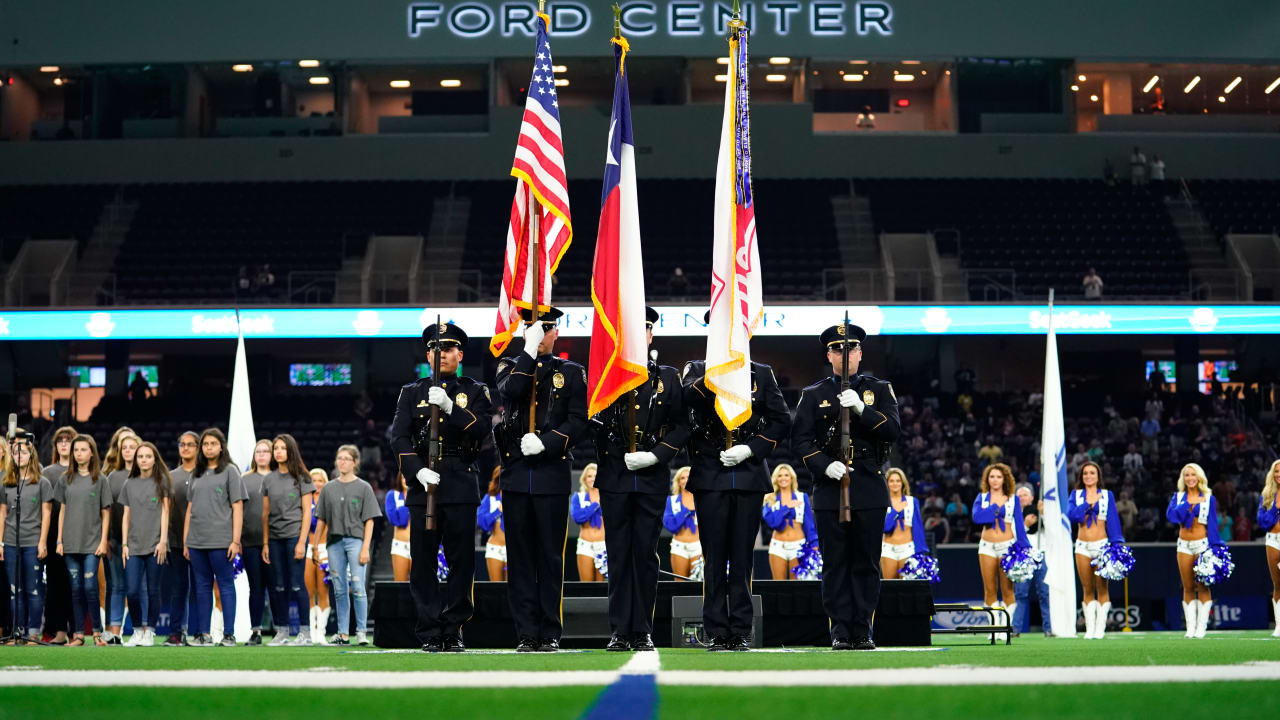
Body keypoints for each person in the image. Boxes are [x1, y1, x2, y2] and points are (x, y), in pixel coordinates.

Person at [684, 317, 791, 652]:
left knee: (742, 559)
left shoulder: (761, 372)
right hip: (710, 475)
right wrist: (718, 370)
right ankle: (716, 629)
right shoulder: (696, 368)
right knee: (714, 559)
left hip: (747, 475)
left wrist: (751, 448)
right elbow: (687, 401)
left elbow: (781, 420)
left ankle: (741, 629)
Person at [791, 321, 899, 651]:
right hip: (829, 489)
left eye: (851, 348)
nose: (845, 353)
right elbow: (800, 440)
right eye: (838, 349)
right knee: (835, 562)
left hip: (867, 486)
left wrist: (862, 409)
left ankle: (862, 628)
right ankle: (840, 629)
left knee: (866, 562)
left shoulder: (879, 389)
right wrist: (825, 466)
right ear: (829, 355)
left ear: (860, 353)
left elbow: (892, 430)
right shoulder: (814, 394)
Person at [390, 321, 493, 653]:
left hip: (460, 481)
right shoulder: (412, 392)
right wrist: (417, 471)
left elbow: (482, 432)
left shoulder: (475, 390)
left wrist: (452, 408)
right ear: (428, 355)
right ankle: (431, 630)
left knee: (461, 562)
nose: (441, 354)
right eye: (435, 349)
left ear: (459, 354)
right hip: (424, 487)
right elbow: (399, 437)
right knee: (422, 563)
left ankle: (454, 629)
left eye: (448, 349)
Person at [590, 305, 689, 651]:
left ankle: (643, 629)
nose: (640, 335)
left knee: (645, 556)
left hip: (650, 478)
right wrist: (614, 449)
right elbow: (593, 422)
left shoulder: (669, 377)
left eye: (645, 329)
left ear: (650, 335)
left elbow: (681, 426)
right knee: (617, 555)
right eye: (634, 329)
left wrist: (656, 454)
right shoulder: (607, 374)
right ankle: (620, 630)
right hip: (615, 476)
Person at [493, 307, 588, 652]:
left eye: (546, 329)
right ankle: (526, 633)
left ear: (556, 333)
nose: (542, 333)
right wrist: (528, 352)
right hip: (517, 476)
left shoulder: (572, 372)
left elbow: (579, 422)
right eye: (534, 328)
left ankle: (548, 631)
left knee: (550, 557)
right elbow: (513, 391)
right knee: (520, 558)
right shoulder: (508, 366)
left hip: (551, 475)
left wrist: (547, 442)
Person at [183, 428, 247, 647]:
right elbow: (190, 509)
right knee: (201, 587)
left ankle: (229, 634)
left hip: (222, 540)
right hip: (196, 541)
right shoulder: (196, 473)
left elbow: (237, 507)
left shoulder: (230, 471)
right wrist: (186, 541)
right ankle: (203, 634)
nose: (208, 447)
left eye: (213, 443)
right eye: (205, 444)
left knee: (226, 585)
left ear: (221, 446)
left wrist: (235, 540)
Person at [312, 445, 380, 646]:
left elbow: (370, 520)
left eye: (346, 458)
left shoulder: (364, 487)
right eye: (339, 458)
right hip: (333, 542)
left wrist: (366, 547)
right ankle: (342, 633)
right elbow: (321, 520)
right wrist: (316, 546)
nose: (342, 462)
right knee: (339, 589)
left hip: (355, 541)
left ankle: (360, 632)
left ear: (355, 462)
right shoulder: (329, 488)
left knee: (358, 587)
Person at [54, 434, 109, 646]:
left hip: (92, 544)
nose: (79, 454)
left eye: (83, 450)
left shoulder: (100, 479)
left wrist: (103, 541)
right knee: (75, 589)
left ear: (92, 452)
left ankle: (97, 632)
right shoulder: (64, 479)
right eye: (76, 450)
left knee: (90, 587)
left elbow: (106, 512)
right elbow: (62, 511)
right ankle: (78, 634)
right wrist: (59, 540)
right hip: (70, 543)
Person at [262, 433, 315, 646]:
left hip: (295, 536)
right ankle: (282, 632)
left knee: (296, 585)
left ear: (290, 450)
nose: (278, 452)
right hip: (274, 539)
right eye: (276, 448)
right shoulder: (268, 479)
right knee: (278, 586)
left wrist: (302, 542)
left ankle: (305, 633)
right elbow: (265, 515)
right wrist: (265, 543)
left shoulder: (303, 477)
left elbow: (307, 513)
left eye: (282, 448)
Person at [1, 430, 54, 643]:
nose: (20, 455)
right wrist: (1, 542)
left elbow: (47, 513)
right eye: (16, 452)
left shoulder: (42, 483)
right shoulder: (6, 483)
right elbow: (2, 514)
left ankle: (33, 633)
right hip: (11, 542)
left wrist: (42, 542)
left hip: (33, 542)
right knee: (15, 591)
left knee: (33, 590)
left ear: (31, 454)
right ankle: (18, 632)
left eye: (23, 452)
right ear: (11, 456)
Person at [120, 442, 172, 647]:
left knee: (153, 591)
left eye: (148, 456)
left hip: (155, 546)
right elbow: (126, 515)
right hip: (133, 546)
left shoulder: (162, 482)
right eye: (140, 456)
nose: (143, 460)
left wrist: (162, 541)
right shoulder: (128, 484)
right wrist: (124, 544)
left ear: (154, 459)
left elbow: (165, 513)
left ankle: (149, 631)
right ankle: (136, 631)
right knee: (131, 591)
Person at [1067, 462, 1125, 639]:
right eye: (1085, 473)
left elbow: (1113, 522)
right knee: (1087, 588)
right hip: (1082, 546)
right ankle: (1089, 628)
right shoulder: (1076, 495)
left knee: (1102, 587)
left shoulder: (1108, 495)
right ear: (1081, 477)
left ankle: (1100, 628)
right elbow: (1072, 516)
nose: (1088, 476)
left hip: (1102, 546)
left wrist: (1116, 545)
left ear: (1098, 476)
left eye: (1092, 473)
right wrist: (1087, 504)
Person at [971, 463, 1031, 632]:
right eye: (992, 477)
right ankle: (993, 628)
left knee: (1007, 589)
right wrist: (995, 509)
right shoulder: (981, 497)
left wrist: (1024, 548)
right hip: (987, 547)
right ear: (987, 479)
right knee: (990, 589)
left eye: (998, 476)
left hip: (1008, 547)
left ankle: (1006, 628)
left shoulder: (1013, 499)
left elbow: (1019, 525)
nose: (995, 480)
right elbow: (977, 518)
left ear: (1004, 479)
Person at [1166, 463, 1222, 639]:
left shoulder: (1209, 498)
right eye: (1187, 475)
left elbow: (1212, 524)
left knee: (1203, 586)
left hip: (1202, 545)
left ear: (1199, 477)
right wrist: (1189, 503)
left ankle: (1201, 627)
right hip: (1183, 545)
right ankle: (1190, 628)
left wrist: (1215, 549)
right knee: (1187, 586)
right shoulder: (1178, 497)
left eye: (1193, 475)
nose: (1190, 478)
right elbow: (1172, 516)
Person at [102, 429, 140, 644]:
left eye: (132, 448)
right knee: (116, 586)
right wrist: (105, 539)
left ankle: (142, 630)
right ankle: (115, 632)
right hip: (115, 540)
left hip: (141, 541)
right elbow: (105, 510)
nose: (127, 451)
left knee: (139, 588)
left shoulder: (146, 475)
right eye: (124, 448)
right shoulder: (111, 477)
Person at [41, 425, 77, 646]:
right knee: (55, 585)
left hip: (78, 534)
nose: (64, 443)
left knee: (77, 586)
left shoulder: (83, 471)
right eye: (60, 440)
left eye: (68, 439)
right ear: (55, 446)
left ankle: (78, 631)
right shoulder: (47, 472)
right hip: (53, 534)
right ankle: (57, 631)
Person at [163, 431, 199, 646]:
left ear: (197, 448)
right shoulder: (170, 477)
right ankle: (177, 632)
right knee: (178, 589)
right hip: (176, 541)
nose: (185, 448)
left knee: (200, 588)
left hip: (202, 541)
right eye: (182, 444)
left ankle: (199, 631)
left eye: (190, 444)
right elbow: (164, 512)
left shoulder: (205, 475)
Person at [239, 439, 273, 645]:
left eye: (265, 451)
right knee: (256, 588)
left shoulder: (279, 477)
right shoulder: (244, 479)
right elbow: (237, 511)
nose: (261, 455)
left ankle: (281, 631)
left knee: (276, 586)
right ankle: (256, 631)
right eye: (258, 451)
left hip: (275, 542)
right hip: (250, 541)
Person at [762, 464, 817, 580]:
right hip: (777, 547)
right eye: (780, 475)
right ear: (775, 478)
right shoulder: (769, 499)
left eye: (786, 475)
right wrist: (787, 507)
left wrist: (814, 545)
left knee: (797, 587)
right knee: (778, 587)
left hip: (799, 546)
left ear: (792, 478)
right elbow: (773, 523)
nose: (783, 478)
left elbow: (809, 525)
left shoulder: (802, 497)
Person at [1013, 483, 1051, 636]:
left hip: (1040, 555)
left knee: (1044, 594)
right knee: (1021, 594)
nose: (1022, 498)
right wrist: (1025, 525)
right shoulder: (1012, 514)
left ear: (1032, 498)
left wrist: (1043, 514)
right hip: (1022, 558)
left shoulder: (1040, 512)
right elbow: (1012, 536)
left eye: (1025, 495)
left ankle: (1048, 628)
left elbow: (1052, 529)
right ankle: (1015, 629)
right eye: (1019, 495)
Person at [880, 468, 927, 580]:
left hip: (908, 549)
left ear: (903, 483)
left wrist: (920, 552)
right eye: (891, 481)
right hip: (888, 550)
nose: (895, 483)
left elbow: (918, 528)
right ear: (887, 483)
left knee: (907, 589)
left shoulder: (912, 501)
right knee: (889, 587)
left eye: (898, 481)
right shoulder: (882, 502)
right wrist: (897, 511)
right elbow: (885, 527)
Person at [303, 468, 331, 643]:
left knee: (323, 591)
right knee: (308, 591)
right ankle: (310, 630)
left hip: (325, 548)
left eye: (321, 480)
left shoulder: (329, 500)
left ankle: (321, 631)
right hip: (307, 548)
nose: (317, 483)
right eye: (314, 480)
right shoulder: (305, 500)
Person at [663, 467, 701, 581]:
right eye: (682, 478)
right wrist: (686, 510)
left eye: (688, 477)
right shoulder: (671, 501)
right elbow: (671, 526)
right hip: (679, 547)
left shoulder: (702, 499)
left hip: (699, 546)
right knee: (679, 582)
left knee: (699, 581)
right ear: (678, 482)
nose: (685, 480)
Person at [1256, 459, 1280, 637]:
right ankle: (1279, 626)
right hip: (1273, 540)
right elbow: (1263, 522)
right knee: (1277, 584)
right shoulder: (1266, 495)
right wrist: (1276, 509)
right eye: (1276, 472)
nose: (1279, 475)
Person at [570, 464, 605, 582]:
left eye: (595, 475)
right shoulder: (578, 497)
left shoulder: (607, 496)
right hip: (586, 545)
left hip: (604, 546)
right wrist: (595, 505)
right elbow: (578, 518)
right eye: (589, 476)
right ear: (584, 479)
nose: (593, 479)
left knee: (604, 588)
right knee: (586, 585)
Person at [476, 469, 506, 581]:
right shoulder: (491, 498)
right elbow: (482, 522)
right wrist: (498, 511)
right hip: (495, 549)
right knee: (496, 588)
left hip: (515, 549)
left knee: (513, 589)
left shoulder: (519, 498)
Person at [384, 474, 411, 582]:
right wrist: (408, 502)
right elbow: (395, 520)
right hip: (400, 545)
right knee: (400, 584)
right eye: (404, 477)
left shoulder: (423, 495)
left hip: (418, 544)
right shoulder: (392, 495)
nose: (406, 480)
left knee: (420, 586)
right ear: (399, 479)